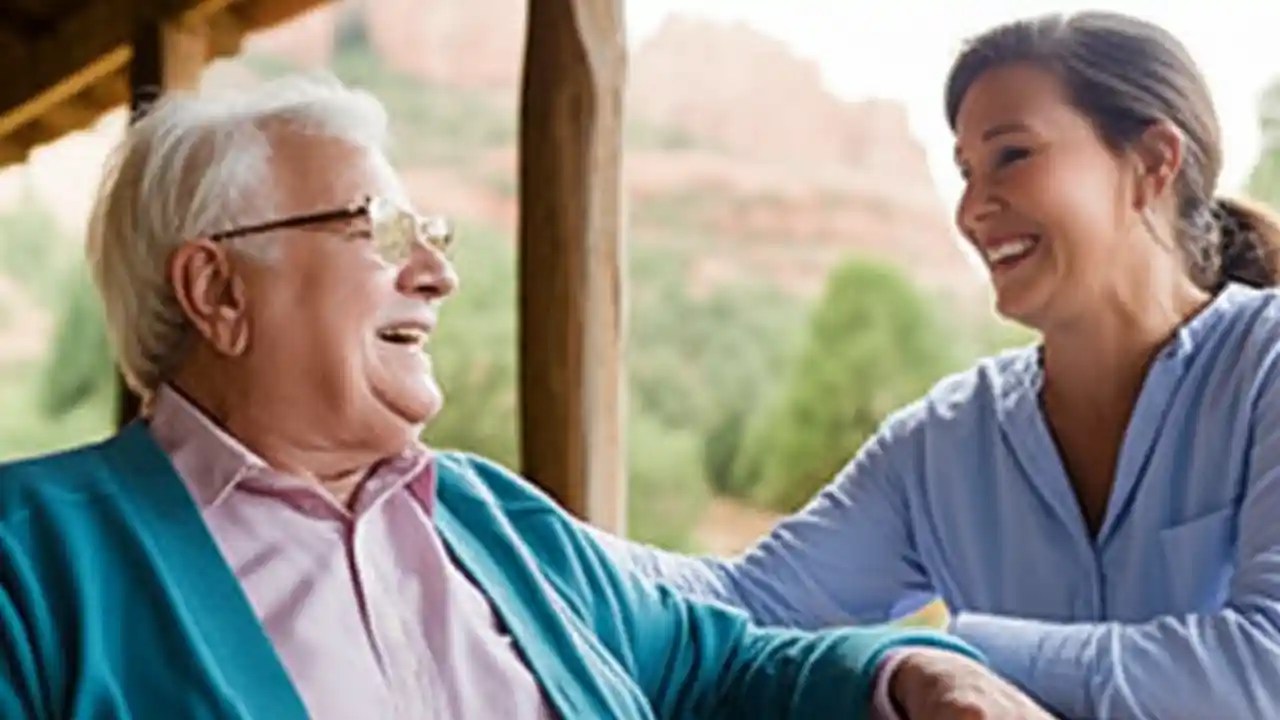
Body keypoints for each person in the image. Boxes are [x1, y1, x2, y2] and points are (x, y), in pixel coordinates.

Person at [0, 75, 1048, 720]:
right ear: (218, 290)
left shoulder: (494, 521)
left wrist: (904, 671)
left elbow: (714, 666)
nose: (437, 278)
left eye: (433, 240)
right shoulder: (29, 562)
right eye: (380, 232)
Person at [596, 11, 1280, 720]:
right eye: (964, 171)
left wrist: (955, 651)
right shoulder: (945, 443)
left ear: (1153, 163)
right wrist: (495, 529)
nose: (972, 209)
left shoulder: (1267, 366)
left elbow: (1266, 668)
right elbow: (749, 603)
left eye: (1011, 155)